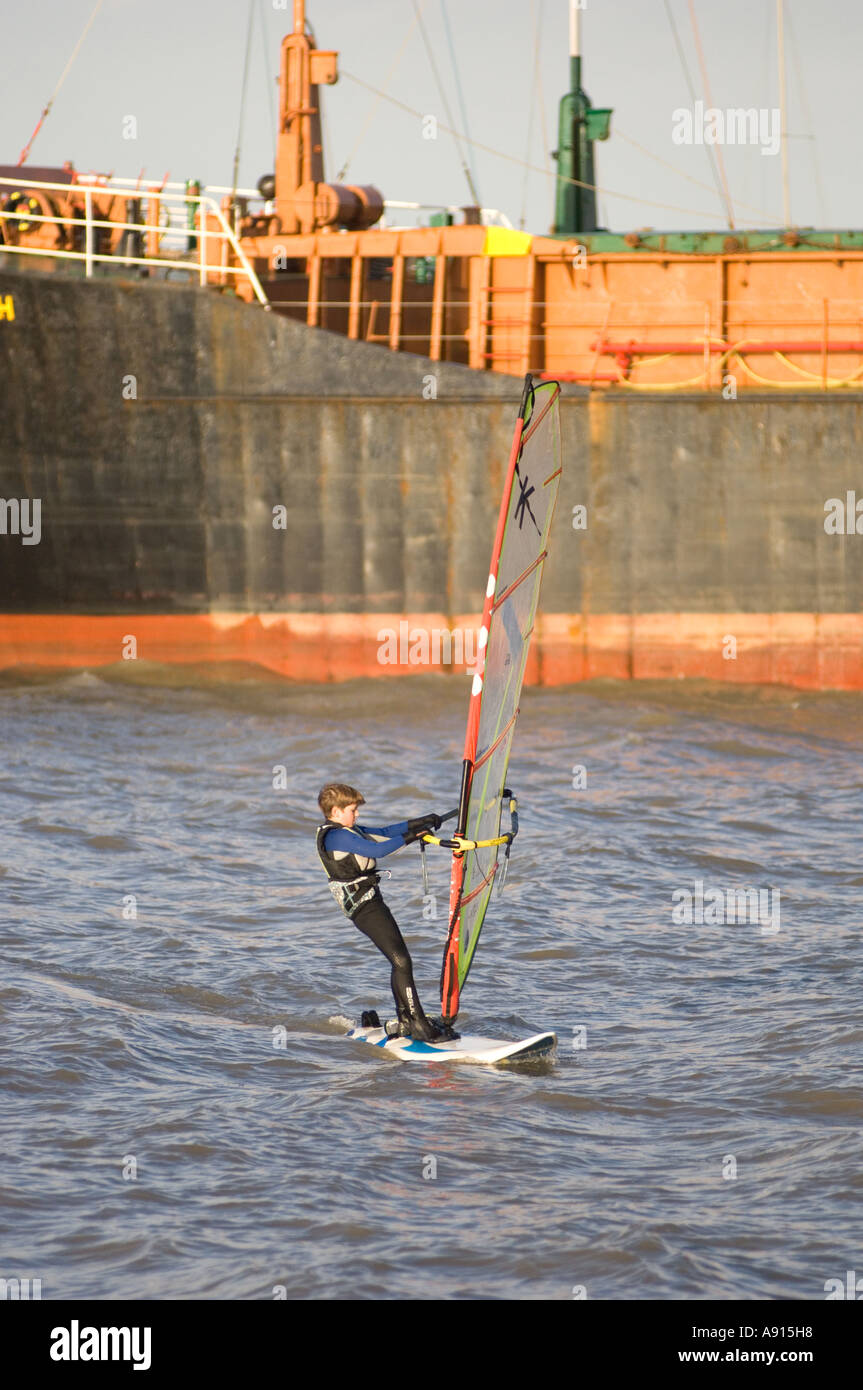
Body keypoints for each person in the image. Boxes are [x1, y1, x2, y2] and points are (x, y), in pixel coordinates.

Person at [315, 782, 457, 1042]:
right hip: (363, 908)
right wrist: (413, 837)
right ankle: (418, 1024)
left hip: (371, 901)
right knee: (401, 961)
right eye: (352, 810)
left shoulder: (348, 829)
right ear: (335, 812)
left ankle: (406, 1018)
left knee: (399, 960)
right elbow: (378, 849)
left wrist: (420, 822)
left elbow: (383, 832)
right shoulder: (337, 836)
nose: (357, 815)